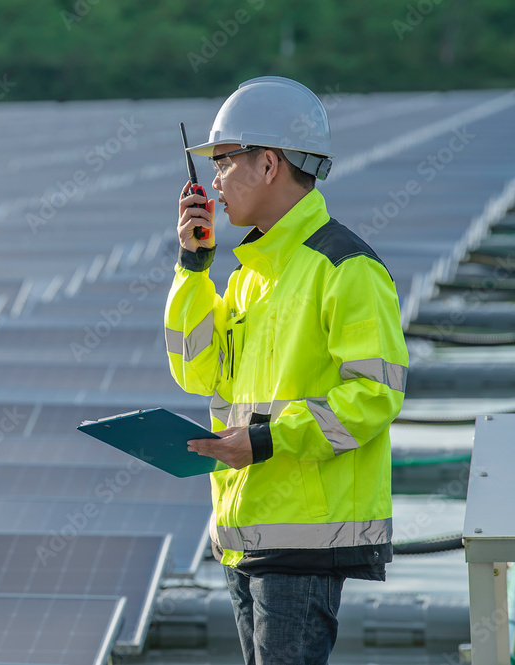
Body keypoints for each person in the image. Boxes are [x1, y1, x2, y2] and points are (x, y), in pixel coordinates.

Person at [164, 76, 409, 664]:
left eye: (223, 162)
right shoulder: (248, 275)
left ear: (269, 164)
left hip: (305, 537)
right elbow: (195, 372)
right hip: (247, 533)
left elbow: (375, 397)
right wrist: (193, 268)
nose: (213, 182)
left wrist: (270, 440)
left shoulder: (345, 267)